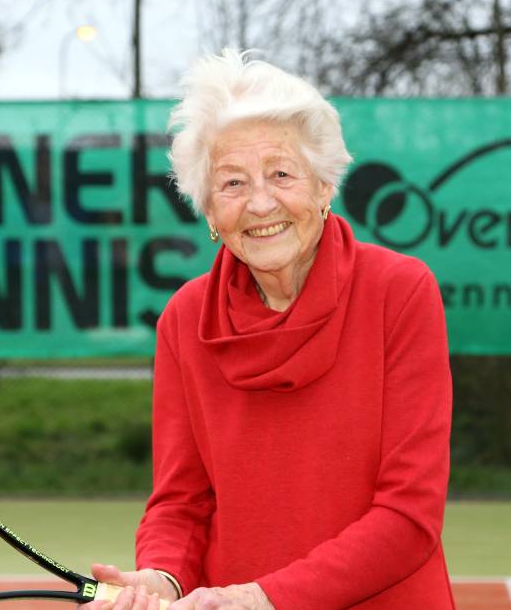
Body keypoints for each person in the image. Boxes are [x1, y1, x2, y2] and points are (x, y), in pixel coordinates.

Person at [81, 49, 455, 610]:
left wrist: (266, 597)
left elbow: (409, 516)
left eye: (281, 174)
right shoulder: (184, 317)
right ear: (210, 211)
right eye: (232, 183)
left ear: (324, 186)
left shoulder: (399, 291)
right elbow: (181, 503)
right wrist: (162, 576)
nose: (260, 203)